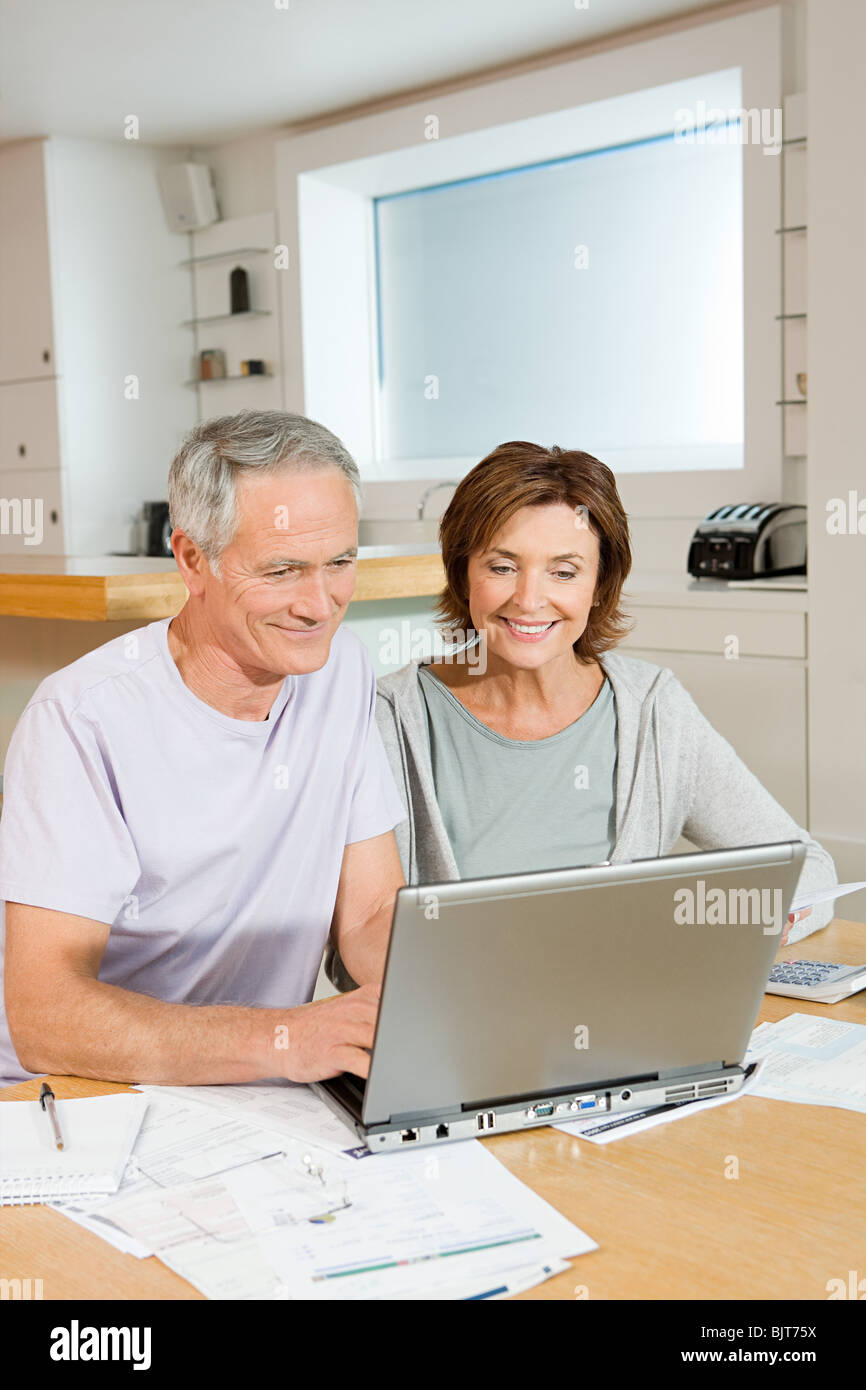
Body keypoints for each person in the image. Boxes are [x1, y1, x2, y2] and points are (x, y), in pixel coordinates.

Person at [327, 441, 833, 991]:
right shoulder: (388, 720)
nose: (529, 599)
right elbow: (356, 952)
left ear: (599, 585)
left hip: (623, 1036)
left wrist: (745, 924)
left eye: (564, 572)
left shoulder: (653, 708)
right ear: (462, 574)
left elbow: (808, 868)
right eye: (502, 566)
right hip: (466, 1046)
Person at [0, 411, 406, 1086]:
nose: (320, 604)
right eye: (282, 570)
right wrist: (281, 1039)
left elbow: (369, 913)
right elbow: (47, 1015)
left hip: (256, 1096)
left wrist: (455, 1001)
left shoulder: (341, 670)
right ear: (192, 561)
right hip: (81, 1100)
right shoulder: (81, 719)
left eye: (341, 562)